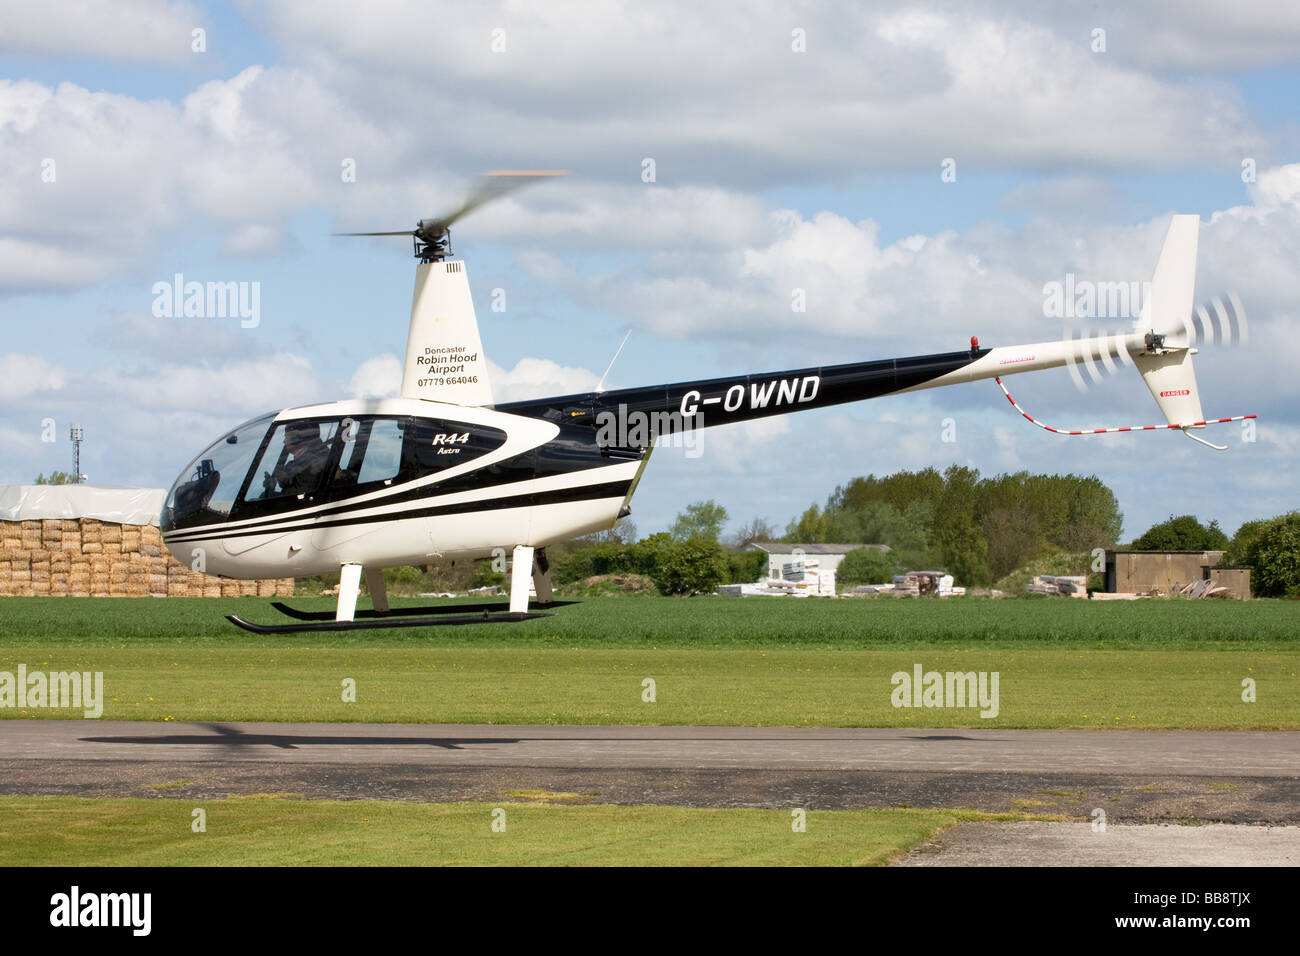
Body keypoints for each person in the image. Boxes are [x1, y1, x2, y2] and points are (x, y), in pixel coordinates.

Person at [266, 421, 331, 497]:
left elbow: (300, 495)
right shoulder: (308, 459)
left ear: (296, 439)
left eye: (286, 437)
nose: (284, 441)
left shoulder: (312, 464)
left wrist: (283, 477)